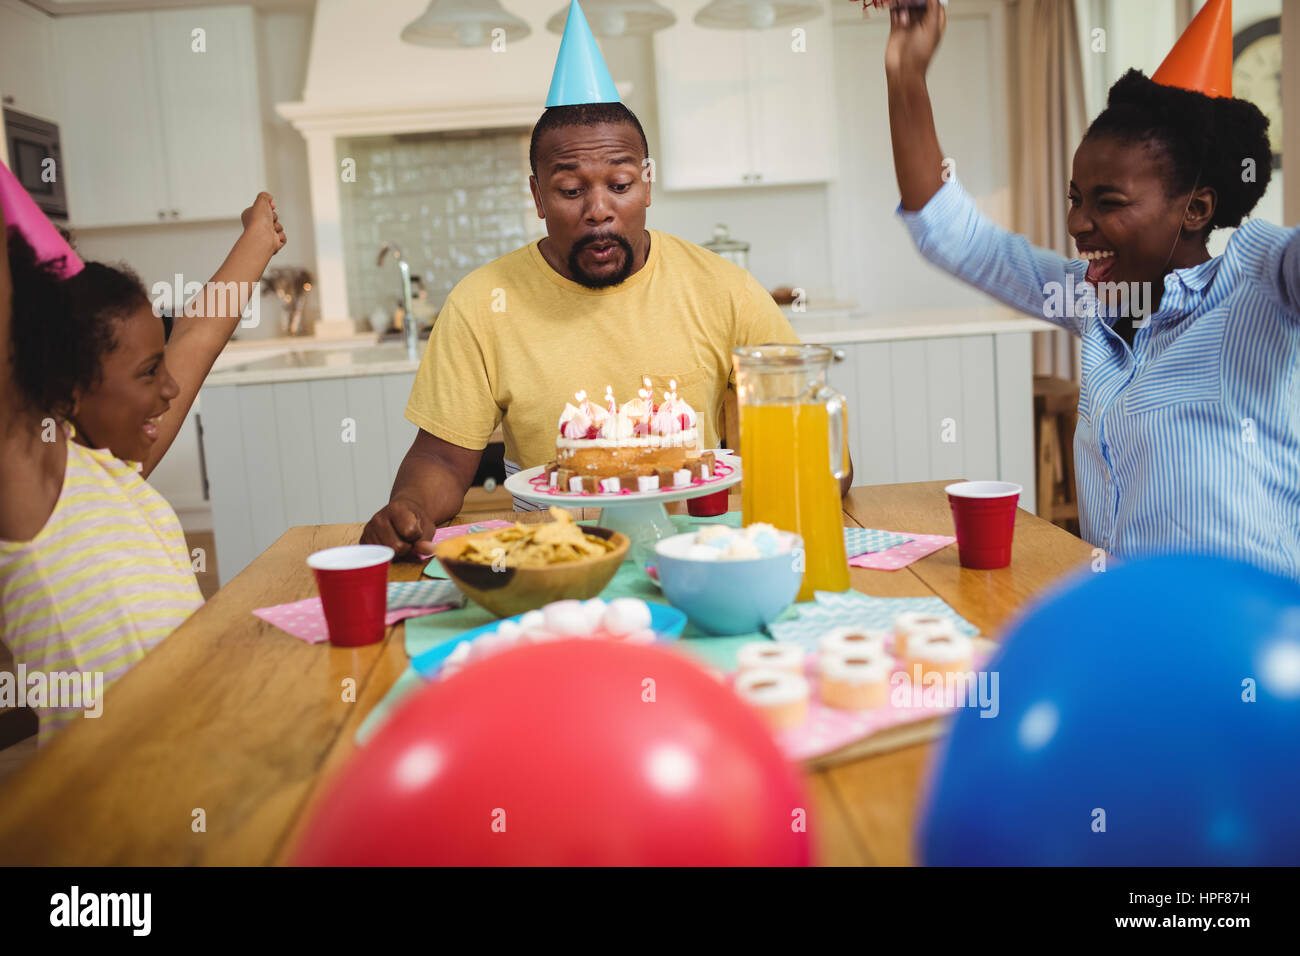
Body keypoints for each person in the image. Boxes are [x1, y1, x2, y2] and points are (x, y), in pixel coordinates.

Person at [362, 5, 851, 558]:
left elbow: (816, 449)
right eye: (571, 190)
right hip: (551, 561)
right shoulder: (481, 303)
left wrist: (815, 471)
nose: (599, 210)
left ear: (647, 185)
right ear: (538, 195)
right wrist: (408, 510)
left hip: (697, 553)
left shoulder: (725, 290)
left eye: (619, 184)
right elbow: (441, 460)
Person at [886, 0, 1300, 578]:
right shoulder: (1094, 299)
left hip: (1247, 645)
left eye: (1109, 202)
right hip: (1128, 627)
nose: (1078, 224)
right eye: (1076, 198)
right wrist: (906, 70)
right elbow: (952, 234)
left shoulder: (1259, 287)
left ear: (1196, 208)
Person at [0, 177, 286, 743]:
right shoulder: (33, 487)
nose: (171, 387)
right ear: (69, 391)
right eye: (148, 372)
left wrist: (258, 239)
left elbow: (201, 333)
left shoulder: (114, 469)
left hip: (192, 759)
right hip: (115, 795)